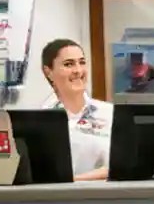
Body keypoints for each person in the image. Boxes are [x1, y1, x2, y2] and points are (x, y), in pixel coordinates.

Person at [40, 38, 113, 181]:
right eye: (69, 64)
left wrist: (75, 180)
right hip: (58, 200)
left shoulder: (110, 113)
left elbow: (123, 165)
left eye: (82, 62)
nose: (78, 70)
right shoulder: (40, 119)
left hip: (107, 199)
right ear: (48, 72)